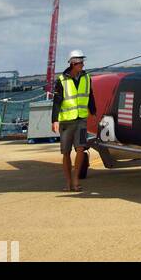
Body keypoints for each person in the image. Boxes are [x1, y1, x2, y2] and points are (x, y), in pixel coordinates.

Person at [51, 48, 97, 192]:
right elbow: (57, 101)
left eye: (83, 62)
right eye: (80, 62)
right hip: (66, 121)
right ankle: (68, 182)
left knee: (81, 148)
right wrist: (55, 120)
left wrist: (94, 111)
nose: (83, 64)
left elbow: (90, 95)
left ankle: (76, 179)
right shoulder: (61, 80)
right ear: (73, 63)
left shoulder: (86, 77)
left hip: (81, 120)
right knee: (65, 152)